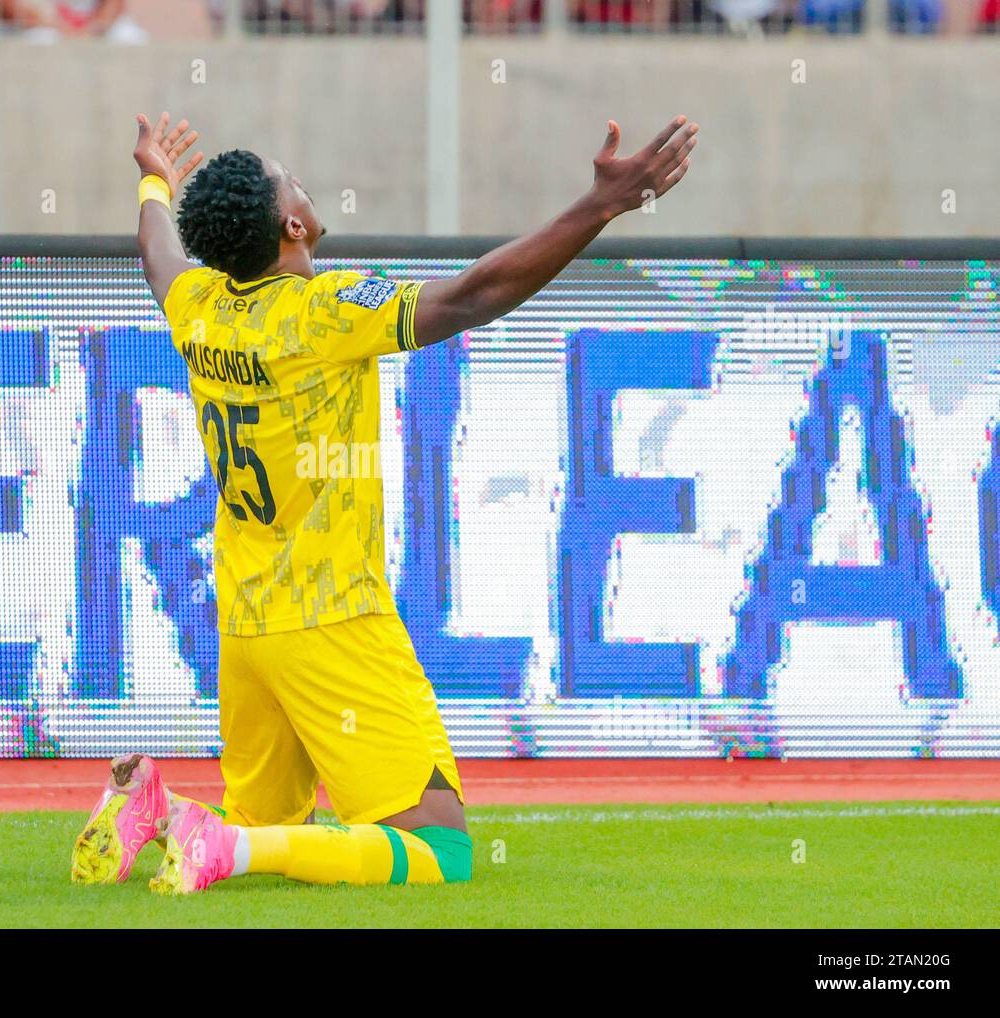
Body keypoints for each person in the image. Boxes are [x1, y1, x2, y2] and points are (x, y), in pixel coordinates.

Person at [71, 109, 698, 894]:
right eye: (290, 180)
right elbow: (475, 295)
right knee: (443, 853)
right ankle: (221, 849)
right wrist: (602, 205)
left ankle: (154, 813)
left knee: (270, 828)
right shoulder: (325, 311)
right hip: (331, 615)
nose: (300, 181)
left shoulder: (197, 306)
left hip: (244, 621)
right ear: (294, 223)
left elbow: (157, 251)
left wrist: (154, 179)